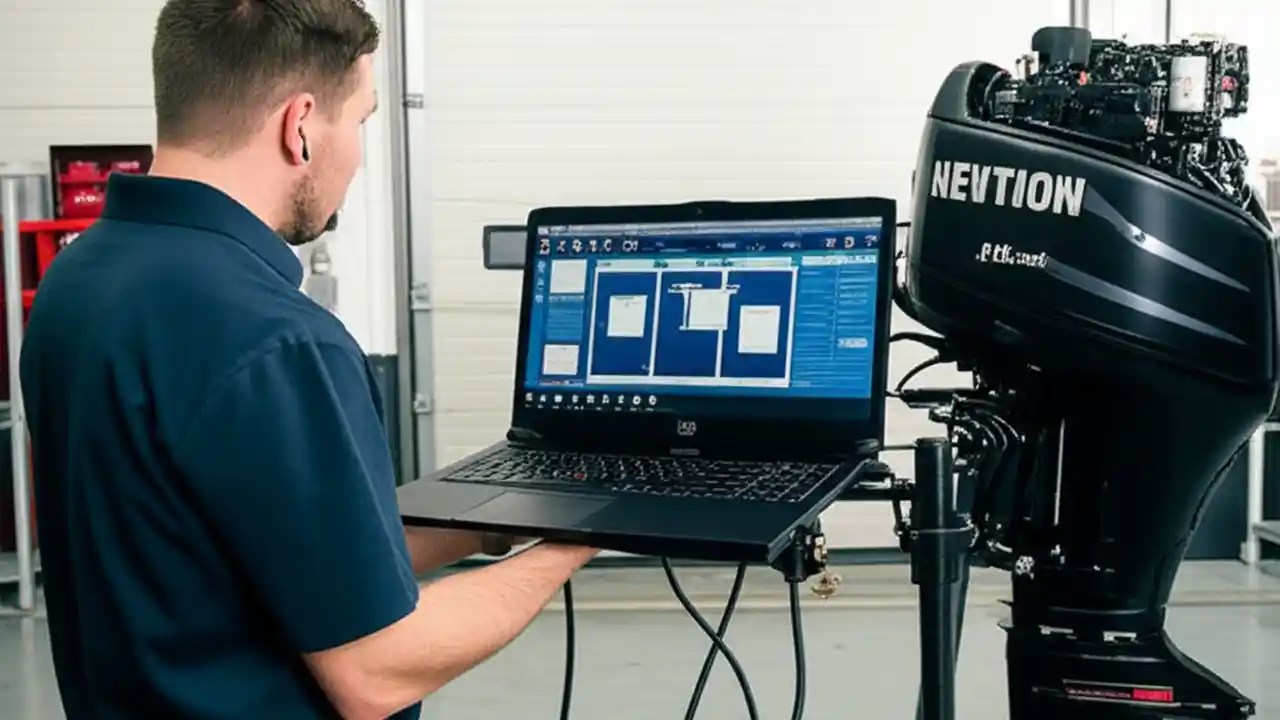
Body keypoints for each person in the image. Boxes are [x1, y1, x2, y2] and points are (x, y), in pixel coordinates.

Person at [19, 1, 597, 718]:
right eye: (359, 121)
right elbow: (377, 672)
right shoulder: (276, 339)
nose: (356, 152)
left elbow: (277, 557)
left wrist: (488, 522)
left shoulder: (82, 281)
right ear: (300, 127)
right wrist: (573, 543)